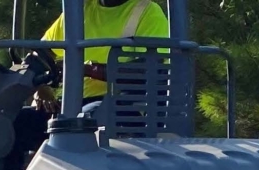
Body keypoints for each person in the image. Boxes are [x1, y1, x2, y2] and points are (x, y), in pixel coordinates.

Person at [35, 0, 170, 113]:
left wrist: (89, 70)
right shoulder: (79, 10)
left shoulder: (148, 11)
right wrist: (41, 86)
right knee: (21, 120)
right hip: (66, 102)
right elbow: (41, 55)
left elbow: (151, 69)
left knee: (85, 121)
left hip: (118, 104)